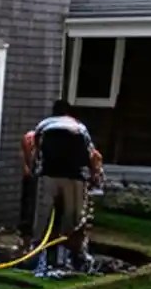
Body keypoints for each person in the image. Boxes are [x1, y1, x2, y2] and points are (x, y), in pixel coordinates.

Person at [27, 100, 103, 274]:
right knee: (73, 216)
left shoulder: (43, 126)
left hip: (48, 176)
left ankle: (36, 252)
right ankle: (69, 252)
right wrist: (95, 176)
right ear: (69, 114)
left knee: (43, 215)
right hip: (74, 177)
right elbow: (92, 155)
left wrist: (33, 170)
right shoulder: (79, 128)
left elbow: (34, 150)